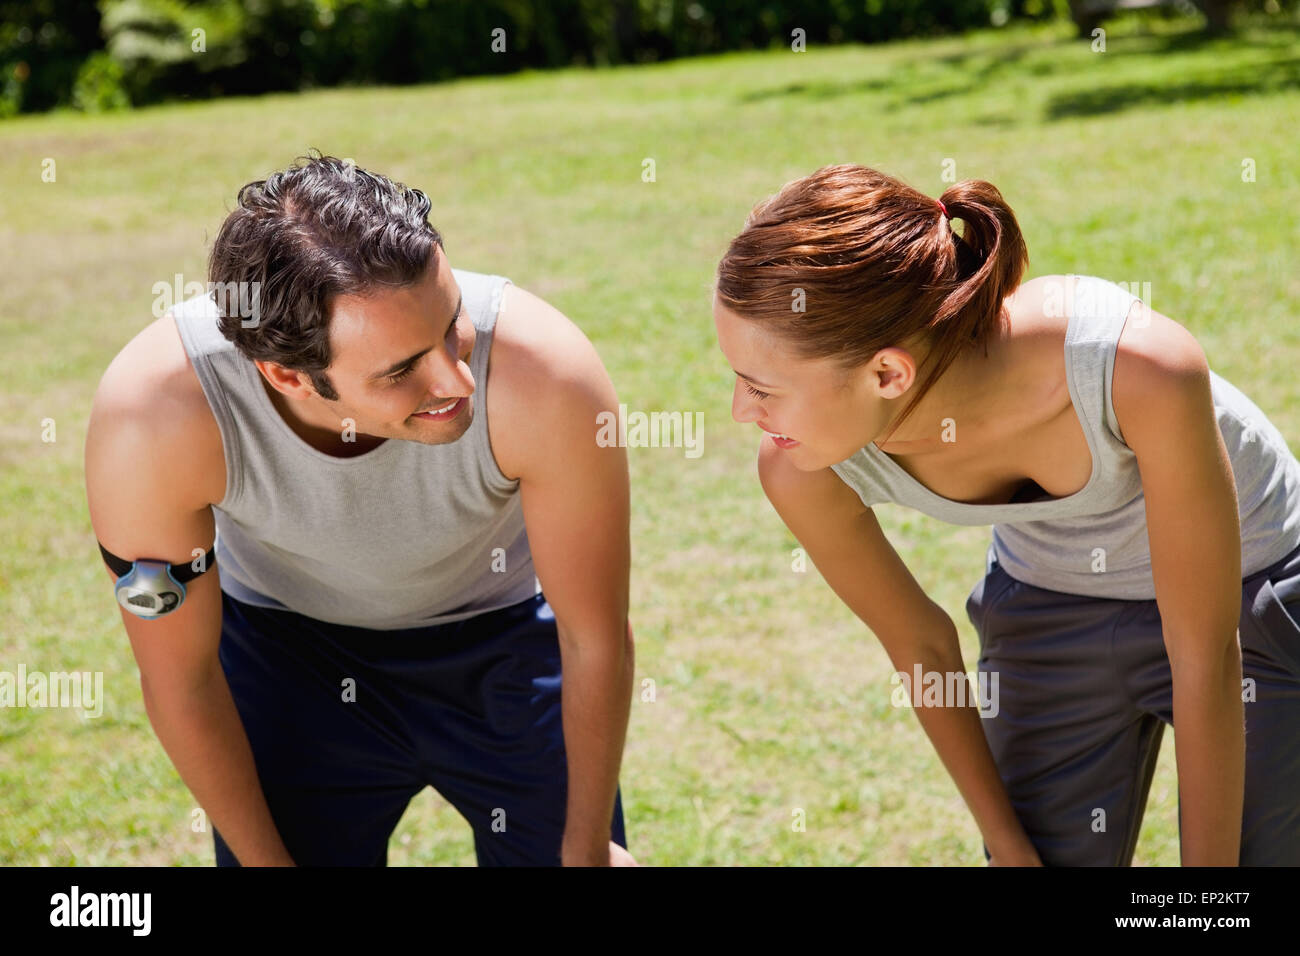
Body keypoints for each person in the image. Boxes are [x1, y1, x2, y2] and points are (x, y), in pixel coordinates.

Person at [711, 163, 1300, 866]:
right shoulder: (800, 465)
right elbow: (923, 647)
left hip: (1250, 591)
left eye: (761, 387)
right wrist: (1007, 843)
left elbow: (1205, 650)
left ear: (887, 375)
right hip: (1050, 595)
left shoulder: (1138, 367)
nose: (742, 412)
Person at [84, 151, 637, 866]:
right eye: (402, 369)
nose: (458, 378)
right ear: (286, 374)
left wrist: (587, 848)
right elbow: (179, 677)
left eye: (451, 325)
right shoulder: (153, 418)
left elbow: (596, 634)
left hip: (504, 643)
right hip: (288, 655)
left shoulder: (547, 374)